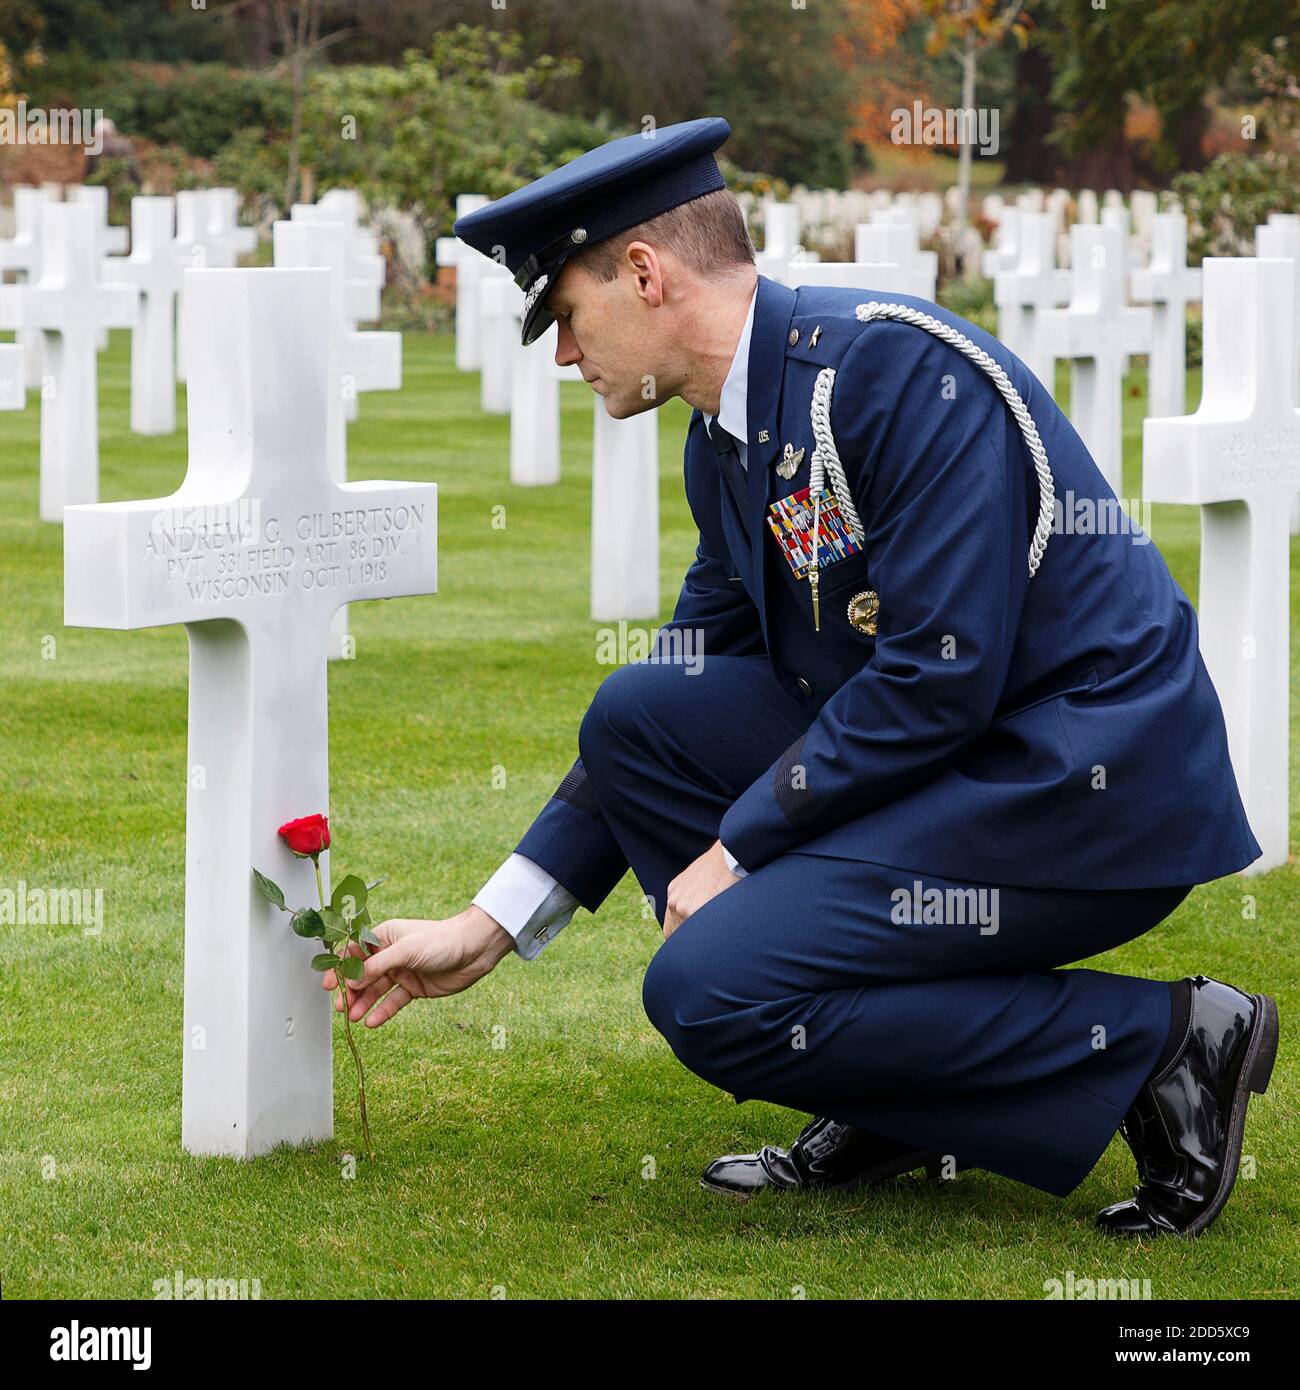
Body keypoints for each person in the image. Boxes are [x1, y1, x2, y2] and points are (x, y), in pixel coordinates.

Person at [321, 118, 1278, 1238]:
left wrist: (736, 852)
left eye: (568, 317)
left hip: (1078, 781)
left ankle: (1165, 1043)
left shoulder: (894, 374)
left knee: (707, 990)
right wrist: (492, 920)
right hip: (963, 762)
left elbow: (936, 676)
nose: (567, 356)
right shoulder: (724, 436)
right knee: (638, 713)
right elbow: (686, 680)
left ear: (644, 272)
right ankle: (896, 1103)